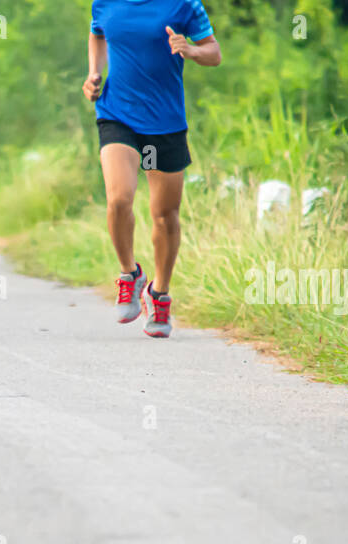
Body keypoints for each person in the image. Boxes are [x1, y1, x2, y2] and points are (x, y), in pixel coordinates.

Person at [83, 1, 221, 338]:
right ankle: (130, 274)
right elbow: (98, 33)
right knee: (118, 199)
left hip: (164, 122)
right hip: (117, 114)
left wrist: (190, 49)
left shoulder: (184, 5)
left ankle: (159, 293)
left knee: (165, 214)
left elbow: (214, 53)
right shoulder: (105, 3)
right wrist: (94, 72)